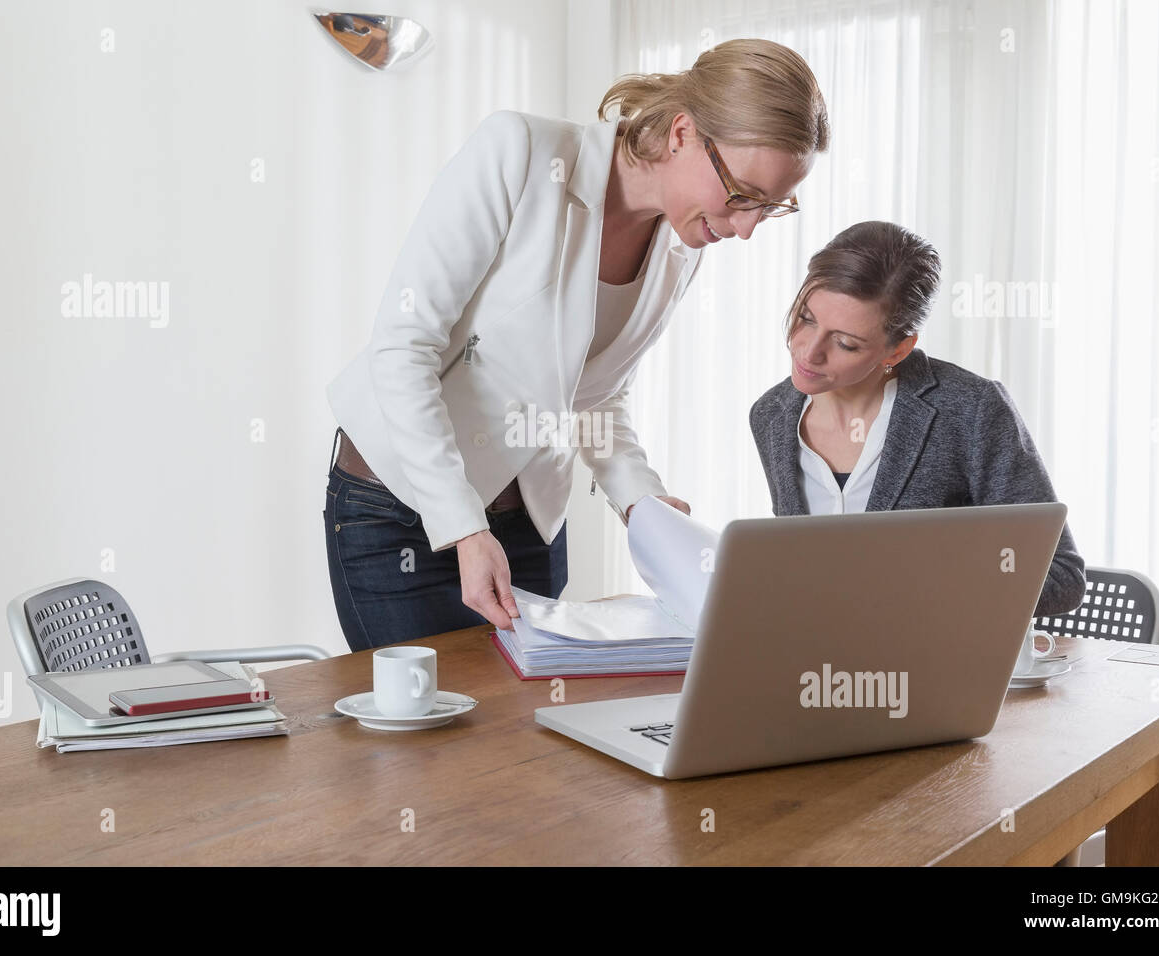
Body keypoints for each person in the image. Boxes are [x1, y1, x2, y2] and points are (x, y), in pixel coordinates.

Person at [324, 39, 831, 650]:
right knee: (430, 740)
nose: (747, 228)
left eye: (769, 207)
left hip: (529, 522)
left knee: (522, 740)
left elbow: (594, 394)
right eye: (743, 194)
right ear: (681, 133)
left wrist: (641, 502)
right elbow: (404, 346)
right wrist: (462, 529)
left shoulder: (680, 243)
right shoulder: (521, 153)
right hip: (398, 510)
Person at [749, 220, 1085, 616]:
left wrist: (926, 580)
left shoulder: (970, 408)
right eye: (806, 319)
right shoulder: (772, 415)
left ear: (898, 350)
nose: (808, 352)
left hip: (940, 665)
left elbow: (1060, 577)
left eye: (845, 343)